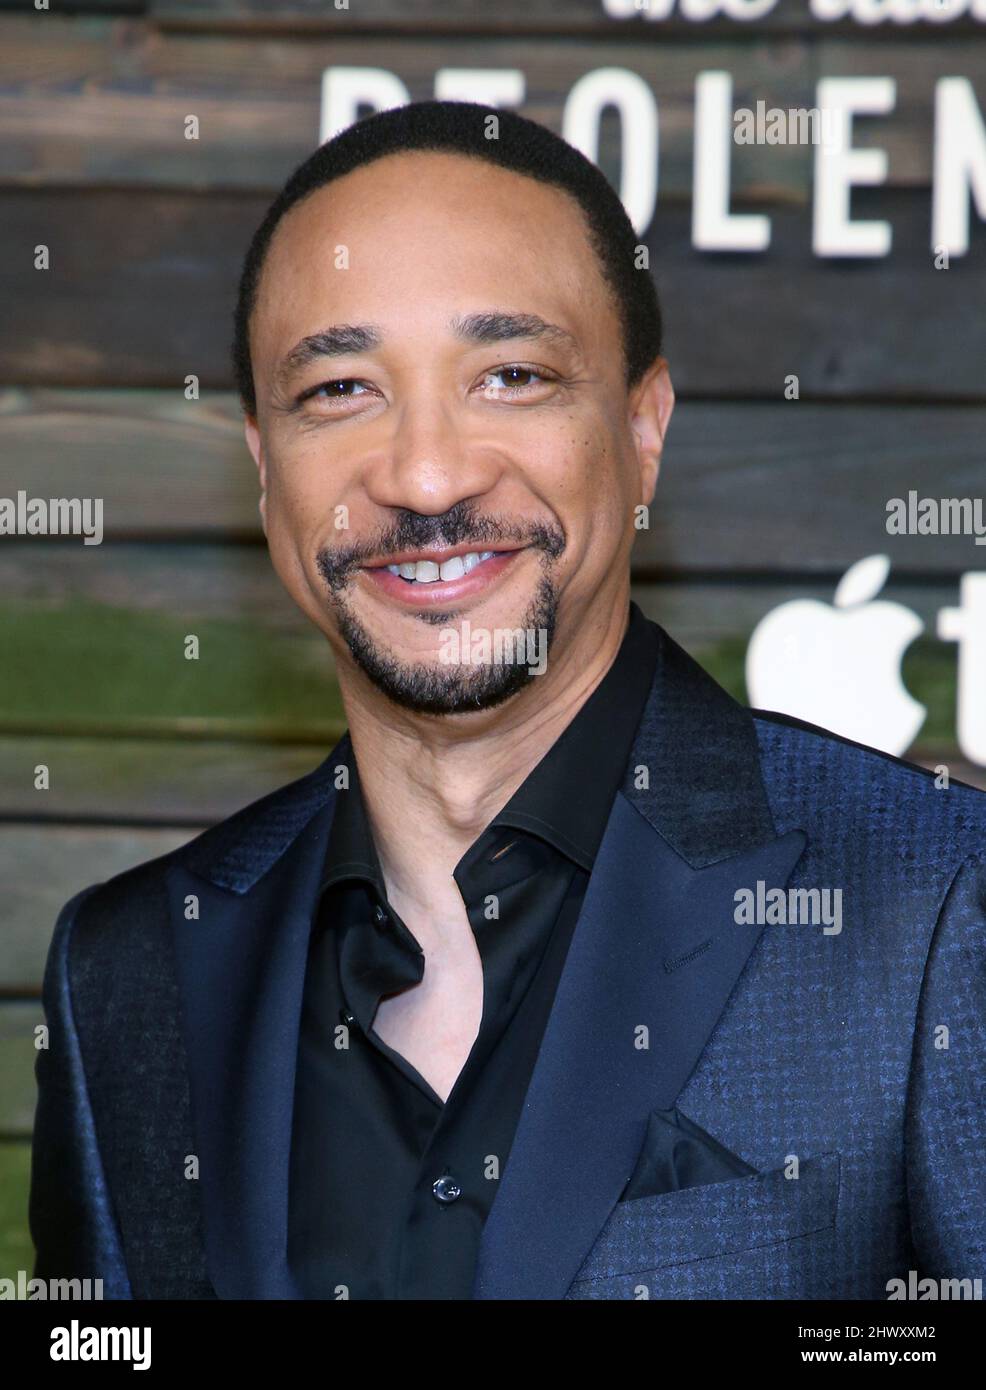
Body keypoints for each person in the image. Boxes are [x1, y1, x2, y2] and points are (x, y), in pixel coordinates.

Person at [29, 101, 986, 1300]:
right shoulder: (126, 970)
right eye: (338, 389)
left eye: (511, 375)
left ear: (641, 431)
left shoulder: (938, 903)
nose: (425, 473)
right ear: (264, 466)